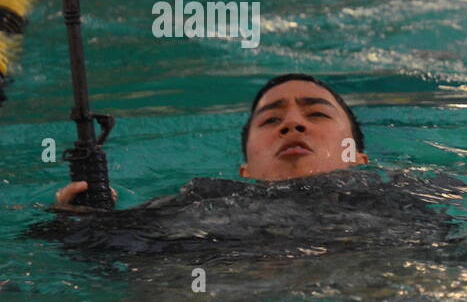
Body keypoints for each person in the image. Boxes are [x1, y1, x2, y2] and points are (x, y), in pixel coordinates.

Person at [55, 74, 370, 209]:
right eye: (271, 120)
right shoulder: (200, 202)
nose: (292, 123)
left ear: (357, 157)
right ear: (245, 169)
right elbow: (101, 255)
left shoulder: (407, 199)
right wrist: (82, 219)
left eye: (317, 114)